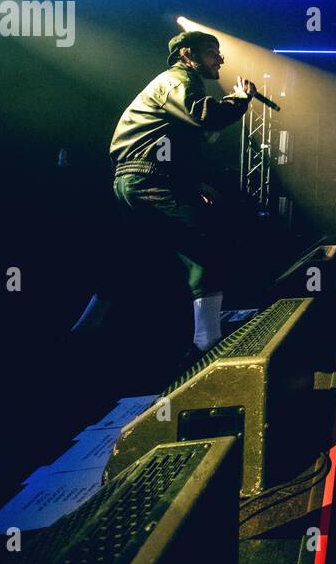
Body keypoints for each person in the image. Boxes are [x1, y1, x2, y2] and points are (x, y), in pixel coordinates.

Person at [99, 31, 258, 355]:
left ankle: (85, 329)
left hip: (140, 180)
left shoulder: (176, 83)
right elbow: (205, 115)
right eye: (212, 52)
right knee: (205, 244)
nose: (220, 59)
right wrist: (239, 99)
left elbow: (175, 150)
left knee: (135, 258)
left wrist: (192, 185)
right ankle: (206, 339)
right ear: (188, 55)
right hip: (147, 181)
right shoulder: (177, 80)